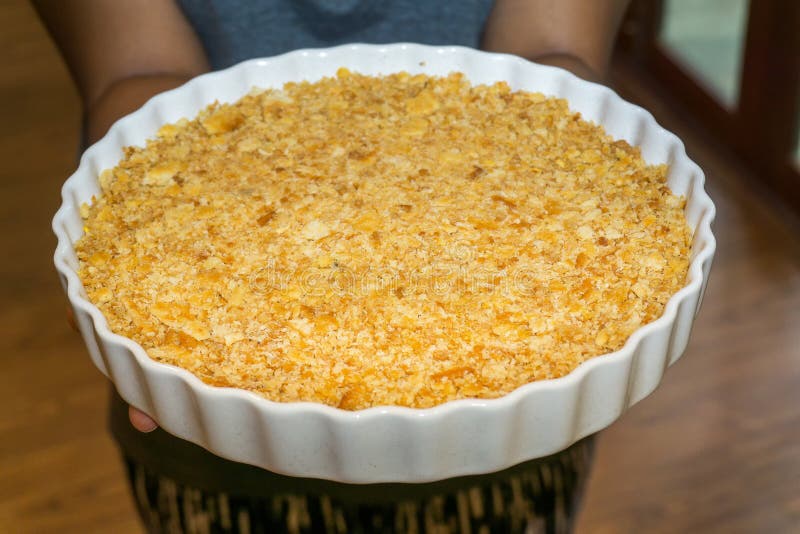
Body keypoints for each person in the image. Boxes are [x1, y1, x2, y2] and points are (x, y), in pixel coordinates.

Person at [35, 1, 630, 532]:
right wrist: (133, 258)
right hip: (213, 452)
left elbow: (553, 55)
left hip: (519, 433)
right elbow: (136, 71)